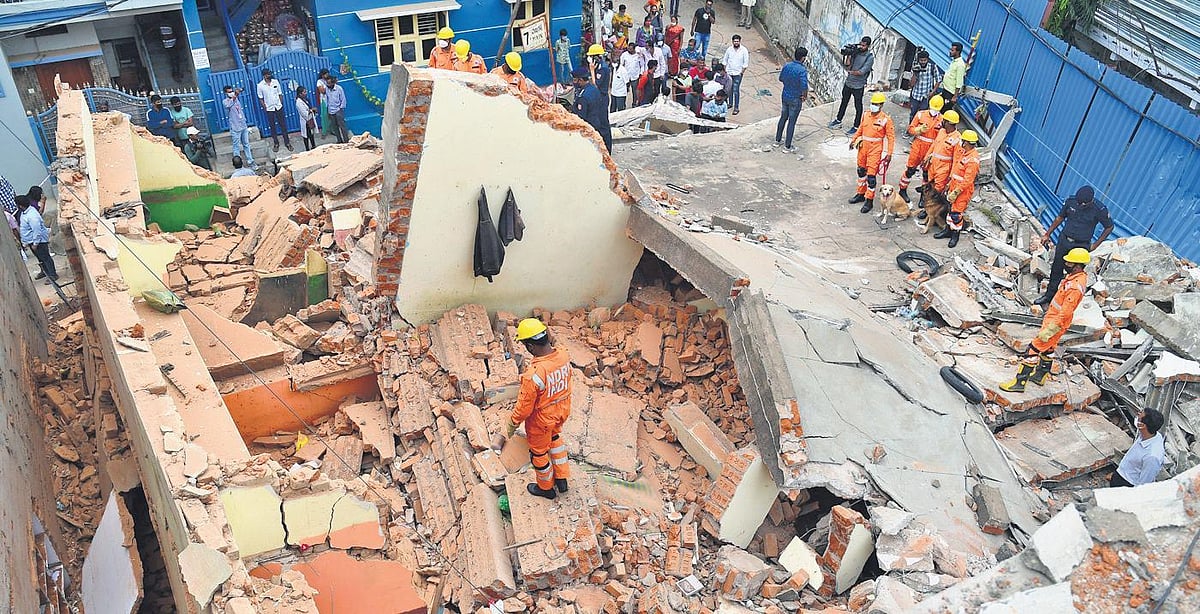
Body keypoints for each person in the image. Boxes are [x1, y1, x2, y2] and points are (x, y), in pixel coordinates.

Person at [1000, 248, 1091, 393]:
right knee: (1048, 349)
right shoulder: (1076, 277)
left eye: (1069, 263)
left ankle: (1019, 383)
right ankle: (1040, 376)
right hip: (1054, 319)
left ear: (1078, 266)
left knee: (1032, 350)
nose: (1066, 264)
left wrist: (1050, 329)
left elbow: (1066, 312)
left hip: (1056, 323)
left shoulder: (1074, 287)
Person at [505, 318, 573, 500]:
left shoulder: (534, 375)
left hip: (541, 421)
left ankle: (546, 488)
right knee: (555, 439)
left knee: (539, 453)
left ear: (530, 346)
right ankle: (562, 479)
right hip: (561, 411)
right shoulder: (563, 355)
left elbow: (524, 408)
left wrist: (513, 422)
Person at [1036, 185, 1114, 306]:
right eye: (1079, 203)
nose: (1081, 205)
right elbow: (1060, 218)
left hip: (1081, 245)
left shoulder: (1099, 209)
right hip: (1065, 241)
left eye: (1084, 204)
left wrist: (1095, 245)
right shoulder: (1071, 201)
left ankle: (1068, 301)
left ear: (1091, 201)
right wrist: (1047, 234)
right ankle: (1049, 296)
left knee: (1075, 274)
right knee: (1057, 269)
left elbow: (1109, 227)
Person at [848, 92, 895, 214]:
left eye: (876, 104)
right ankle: (860, 193)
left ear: (881, 105)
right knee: (861, 171)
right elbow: (860, 129)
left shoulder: (885, 120)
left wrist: (889, 153)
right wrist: (853, 140)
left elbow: (891, 138)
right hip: (863, 148)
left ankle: (869, 200)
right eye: (873, 103)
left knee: (871, 177)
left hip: (875, 150)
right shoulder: (866, 115)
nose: (873, 106)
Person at [897, 94, 944, 202]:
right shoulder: (920, 115)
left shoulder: (942, 120)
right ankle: (902, 190)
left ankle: (923, 197)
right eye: (933, 108)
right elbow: (910, 129)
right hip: (918, 146)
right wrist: (918, 130)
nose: (934, 111)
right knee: (910, 170)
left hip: (931, 149)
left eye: (936, 109)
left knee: (926, 175)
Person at [938, 129, 980, 248]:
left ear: (966, 142)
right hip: (954, 186)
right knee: (950, 209)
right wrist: (949, 184)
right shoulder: (964, 153)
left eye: (963, 141)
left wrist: (956, 192)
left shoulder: (972, 160)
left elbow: (968, 180)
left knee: (956, 214)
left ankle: (955, 235)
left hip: (962, 191)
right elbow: (957, 170)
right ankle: (948, 230)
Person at [828, 36, 874, 135]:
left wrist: (851, 72)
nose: (861, 47)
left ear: (868, 46)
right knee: (844, 102)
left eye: (863, 45)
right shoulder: (856, 52)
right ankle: (838, 120)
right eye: (860, 44)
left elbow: (862, 71)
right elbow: (847, 65)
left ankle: (856, 126)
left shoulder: (869, 57)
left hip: (858, 85)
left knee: (858, 106)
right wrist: (849, 55)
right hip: (849, 82)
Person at [1110, 409, 1166, 487]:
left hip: (1127, 484)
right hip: (1122, 472)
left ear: (1143, 425)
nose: (1137, 415)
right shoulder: (1150, 434)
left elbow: (1144, 483)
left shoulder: (1152, 457)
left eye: (1139, 417)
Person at [920, 109, 961, 201]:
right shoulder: (942, 131)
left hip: (944, 168)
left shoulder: (957, 139)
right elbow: (934, 145)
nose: (942, 121)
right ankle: (927, 203)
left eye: (944, 120)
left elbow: (956, 160)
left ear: (948, 122)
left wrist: (951, 175)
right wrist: (926, 158)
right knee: (929, 185)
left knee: (938, 188)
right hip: (933, 164)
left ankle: (933, 205)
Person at [774, 47, 809, 153]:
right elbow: (804, 86)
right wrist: (804, 96)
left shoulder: (787, 66)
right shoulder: (802, 70)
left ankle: (777, 140)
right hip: (795, 98)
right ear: (803, 58)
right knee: (791, 122)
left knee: (783, 118)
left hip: (785, 95)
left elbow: (781, 78)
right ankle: (787, 146)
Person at [572, 67, 612, 152]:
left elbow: (581, 118)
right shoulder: (594, 89)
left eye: (575, 80)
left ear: (581, 80)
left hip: (589, 127)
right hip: (597, 123)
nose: (574, 82)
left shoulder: (583, 97)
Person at [17, 195, 56, 283]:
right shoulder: (25, 213)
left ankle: (52, 275)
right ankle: (45, 271)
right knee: (40, 258)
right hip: (31, 241)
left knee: (45, 258)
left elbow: (36, 230)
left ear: (20, 206)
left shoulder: (32, 216)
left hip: (38, 241)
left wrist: (35, 243)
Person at [257, 69, 292, 152]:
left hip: (278, 107)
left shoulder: (275, 82)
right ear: (264, 76)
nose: (269, 76)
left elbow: (280, 94)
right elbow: (260, 98)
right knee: (272, 126)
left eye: (270, 74)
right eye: (267, 75)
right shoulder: (260, 85)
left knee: (283, 125)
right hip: (269, 109)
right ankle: (276, 143)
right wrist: (265, 107)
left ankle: (287, 143)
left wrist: (280, 103)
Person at [222, 85, 255, 169]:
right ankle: (238, 165)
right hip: (235, 127)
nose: (231, 93)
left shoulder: (236, 99)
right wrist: (235, 95)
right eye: (229, 92)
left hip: (243, 125)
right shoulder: (225, 101)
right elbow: (229, 105)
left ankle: (250, 161)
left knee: (246, 144)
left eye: (232, 91)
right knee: (236, 146)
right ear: (225, 93)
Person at [908, 49, 944, 123]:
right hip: (915, 95)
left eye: (925, 60)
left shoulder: (932, 67)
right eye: (921, 60)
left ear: (927, 59)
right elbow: (911, 84)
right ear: (918, 60)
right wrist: (915, 74)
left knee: (924, 115)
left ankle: (921, 129)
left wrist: (933, 92)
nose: (923, 62)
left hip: (926, 97)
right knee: (913, 114)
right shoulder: (915, 67)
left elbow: (938, 80)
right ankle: (911, 128)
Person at [722, 34, 749, 115]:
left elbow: (745, 63)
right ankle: (730, 103)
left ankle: (736, 107)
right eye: (735, 41)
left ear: (740, 41)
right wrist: (725, 71)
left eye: (737, 41)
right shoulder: (729, 50)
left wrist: (741, 72)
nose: (736, 43)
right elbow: (725, 60)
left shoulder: (744, 50)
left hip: (738, 73)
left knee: (736, 90)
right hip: (729, 72)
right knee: (729, 89)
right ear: (732, 41)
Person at [939, 42, 967, 107]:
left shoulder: (960, 65)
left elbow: (959, 82)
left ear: (958, 52)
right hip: (945, 90)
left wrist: (955, 96)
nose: (950, 51)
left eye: (952, 50)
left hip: (950, 93)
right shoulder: (954, 61)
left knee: (945, 110)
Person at [325, 74, 349, 144]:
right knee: (335, 127)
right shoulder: (327, 89)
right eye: (327, 83)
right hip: (331, 111)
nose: (328, 85)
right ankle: (339, 140)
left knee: (342, 126)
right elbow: (327, 99)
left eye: (329, 83)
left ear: (333, 83)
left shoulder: (339, 88)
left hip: (338, 110)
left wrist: (341, 108)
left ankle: (346, 140)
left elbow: (343, 99)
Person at [296, 86, 316, 150]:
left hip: (310, 119)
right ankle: (307, 149)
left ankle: (313, 146)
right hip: (305, 121)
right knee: (306, 136)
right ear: (300, 94)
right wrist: (312, 110)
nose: (306, 93)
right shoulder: (298, 102)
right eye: (304, 92)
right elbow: (304, 113)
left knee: (311, 134)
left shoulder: (306, 100)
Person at [316, 68, 331, 138]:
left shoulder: (328, 80)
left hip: (330, 100)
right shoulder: (319, 81)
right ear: (322, 75)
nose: (327, 75)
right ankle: (324, 132)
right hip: (324, 101)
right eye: (326, 74)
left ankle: (332, 130)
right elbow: (322, 91)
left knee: (331, 116)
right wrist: (329, 86)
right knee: (324, 116)